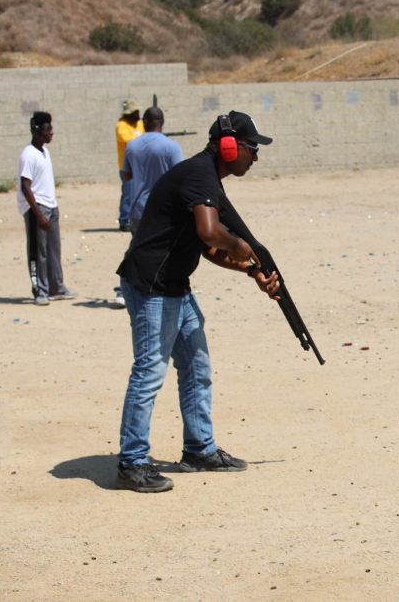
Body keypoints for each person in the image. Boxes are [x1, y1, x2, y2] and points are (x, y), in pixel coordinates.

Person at [114, 110, 279, 493]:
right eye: (251, 148)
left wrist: (250, 271)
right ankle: (132, 462)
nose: (255, 156)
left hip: (174, 285)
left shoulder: (206, 180)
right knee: (149, 371)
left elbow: (207, 248)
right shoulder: (199, 175)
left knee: (196, 365)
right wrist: (244, 247)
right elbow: (211, 231)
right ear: (228, 146)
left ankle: (199, 448)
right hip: (153, 284)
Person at [112, 106, 183, 308]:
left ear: (144, 122)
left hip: (137, 210)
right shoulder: (172, 146)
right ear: (162, 122)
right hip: (163, 211)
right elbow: (179, 176)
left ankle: (128, 288)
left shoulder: (132, 146)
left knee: (137, 249)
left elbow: (126, 175)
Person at [17, 111, 77, 306]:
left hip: (51, 206)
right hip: (37, 208)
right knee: (37, 252)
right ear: (36, 131)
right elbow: (25, 187)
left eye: (51, 128)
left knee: (53, 250)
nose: (51, 132)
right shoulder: (28, 155)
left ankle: (57, 287)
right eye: (47, 129)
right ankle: (40, 291)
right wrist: (38, 214)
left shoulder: (45, 151)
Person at [115, 99, 144, 232]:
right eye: (135, 113)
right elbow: (128, 140)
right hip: (127, 166)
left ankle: (136, 219)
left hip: (140, 166)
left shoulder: (140, 124)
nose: (138, 115)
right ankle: (124, 220)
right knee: (128, 194)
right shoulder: (121, 125)